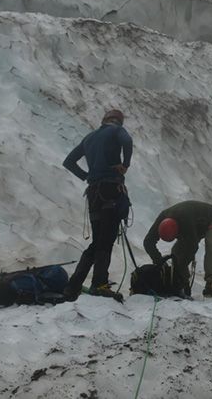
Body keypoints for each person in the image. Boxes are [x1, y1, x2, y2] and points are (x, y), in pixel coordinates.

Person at [62, 107, 133, 300]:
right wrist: (125, 165)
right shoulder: (117, 131)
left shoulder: (89, 138)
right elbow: (127, 141)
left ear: (104, 119)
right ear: (119, 121)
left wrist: (87, 176)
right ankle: (99, 284)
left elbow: (68, 161)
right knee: (106, 241)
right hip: (110, 191)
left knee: (98, 241)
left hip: (93, 193)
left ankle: (74, 285)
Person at [144, 200, 212, 298]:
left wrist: (179, 268)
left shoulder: (185, 219)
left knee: (210, 243)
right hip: (194, 224)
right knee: (176, 252)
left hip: (211, 217)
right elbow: (148, 242)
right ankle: (183, 284)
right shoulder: (162, 218)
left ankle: (211, 284)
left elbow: (193, 246)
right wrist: (160, 263)